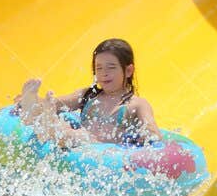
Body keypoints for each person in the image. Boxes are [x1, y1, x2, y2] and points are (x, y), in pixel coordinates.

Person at [13, 38, 158, 147]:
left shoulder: (136, 104)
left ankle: (49, 127)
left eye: (111, 67)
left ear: (128, 70)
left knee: (74, 134)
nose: (104, 73)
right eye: (99, 68)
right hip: (79, 140)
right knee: (54, 116)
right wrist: (37, 101)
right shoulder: (88, 95)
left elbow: (153, 132)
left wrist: (142, 140)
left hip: (100, 149)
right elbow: (55, 103)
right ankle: (32, 110)